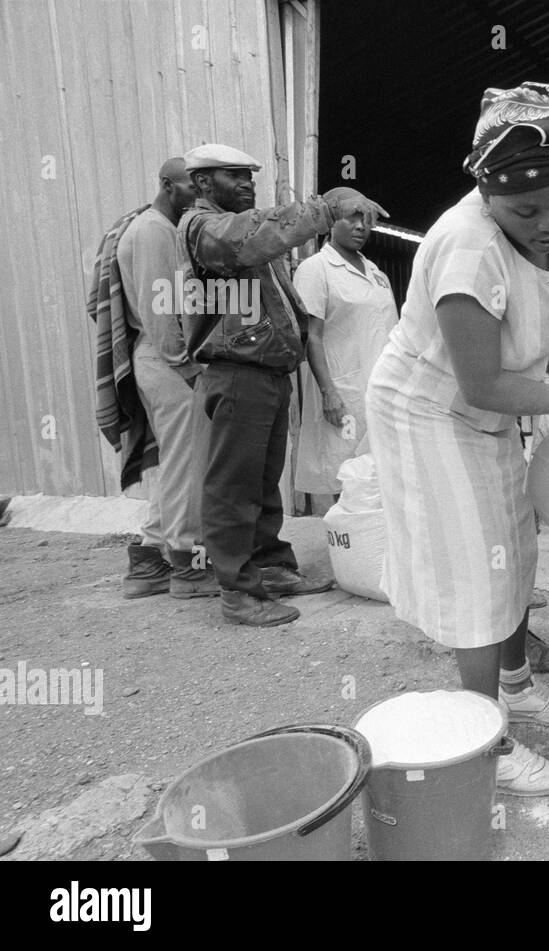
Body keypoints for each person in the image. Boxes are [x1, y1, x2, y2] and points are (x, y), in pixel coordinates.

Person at [365, 81, 549, 797]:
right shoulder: (468, 252)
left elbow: (544, 333)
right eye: (528, 210)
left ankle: (514, 682)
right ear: (488, 192)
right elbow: (484, 383)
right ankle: (486, 736)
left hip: (484, 404)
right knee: (475, 569)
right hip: (429, 411)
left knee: (514, 545)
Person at [179, 143, 386, 627]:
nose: (248, 183)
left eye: (251, 175)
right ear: (204, 182)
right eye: (235, 175)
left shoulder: (243, 230)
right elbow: (253, 239)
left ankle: (269, 565)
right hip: (237, 373)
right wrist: (321, 209)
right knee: (233, 486)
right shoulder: (206, 228)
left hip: (266, 374)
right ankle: (237, 590)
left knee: (262, 480)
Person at [113, 158, 218, 599]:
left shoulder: (149, 227)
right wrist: (187, 366)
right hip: (165, 358)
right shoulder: (154, 231)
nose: (197, 197)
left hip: (156, 358)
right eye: (190, 188)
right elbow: (161, 311)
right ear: (166, 185)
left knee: (174, 463)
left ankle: (148, 561)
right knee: (187, 466)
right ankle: (190, 567)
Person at [293, 207, 399, 499]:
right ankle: (349, 540)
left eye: (365, 220)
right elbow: (311, 336)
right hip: (343, 389)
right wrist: (329, 393)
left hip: (381, 390)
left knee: (380, 471)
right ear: (330, 221)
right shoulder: (316, 268)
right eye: (351, 218)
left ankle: (373, 541)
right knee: (347, 470)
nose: (360, 226)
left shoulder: (377, 274)